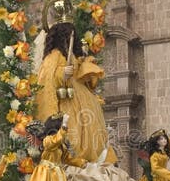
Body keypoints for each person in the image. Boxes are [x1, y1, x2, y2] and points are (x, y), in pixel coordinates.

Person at [35, 20, 115, 164]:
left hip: (82, 98)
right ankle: (74, 158)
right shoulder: (54, 55)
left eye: (72, 36)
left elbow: (80, 74)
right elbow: (47, 77)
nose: (70, 39)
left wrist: (85, 66)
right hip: (66, 100)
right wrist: (62, 73)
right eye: (67, 36)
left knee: (89, 132)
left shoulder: (73, 56)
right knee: (74, 132)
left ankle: (91, 158)